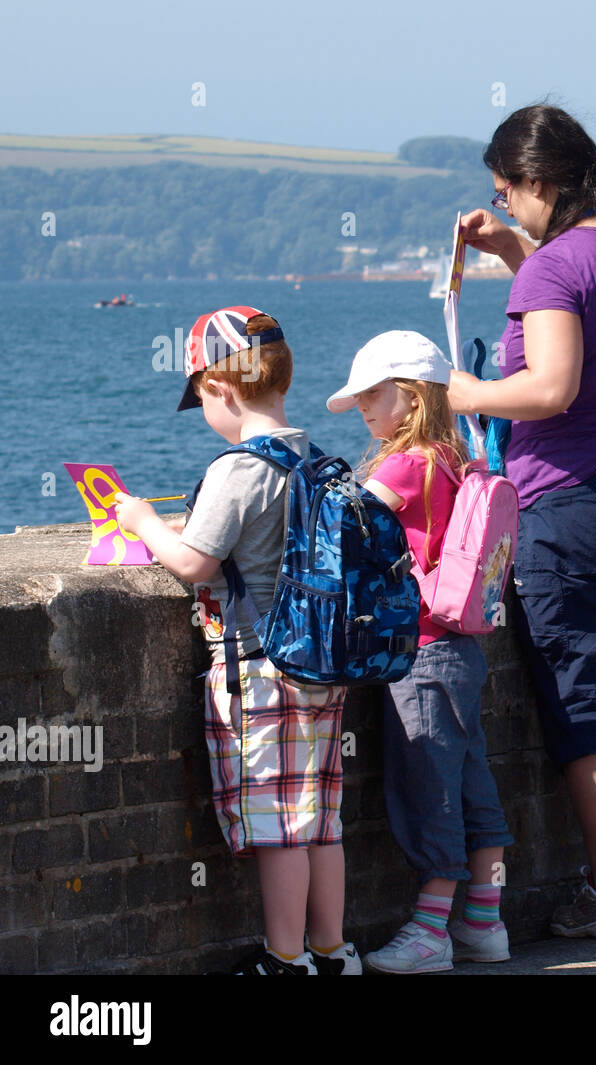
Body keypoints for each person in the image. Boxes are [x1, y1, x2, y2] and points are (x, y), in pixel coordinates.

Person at [449, 104, 596, 939]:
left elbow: (552, 386)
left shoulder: (553, 272)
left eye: (508, 192)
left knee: (586, 692)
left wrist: (469, 393)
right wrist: (515, 251)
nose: (507, 205)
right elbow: (591, 309)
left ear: (540, 182)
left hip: (580, 497)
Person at [116, 307, 355, 974]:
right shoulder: (316, 457)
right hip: (321, 662)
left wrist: (139, 520)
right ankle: (334, 949)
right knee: (320, 816)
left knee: (279, 823)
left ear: (219, 389)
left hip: (259, 669)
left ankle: (285, 958)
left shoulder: (239, 469)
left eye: (201, 401)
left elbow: (192, 561)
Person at [327, 329, 513, 973]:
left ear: (408, 396)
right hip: (462, 647)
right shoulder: (458, 458)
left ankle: (432, 930)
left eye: (372, 397)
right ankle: (484, 922)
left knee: (426, 786)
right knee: (469, 782)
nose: (364, 411)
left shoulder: (404, 464)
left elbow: (343, 523)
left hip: (423, 649)